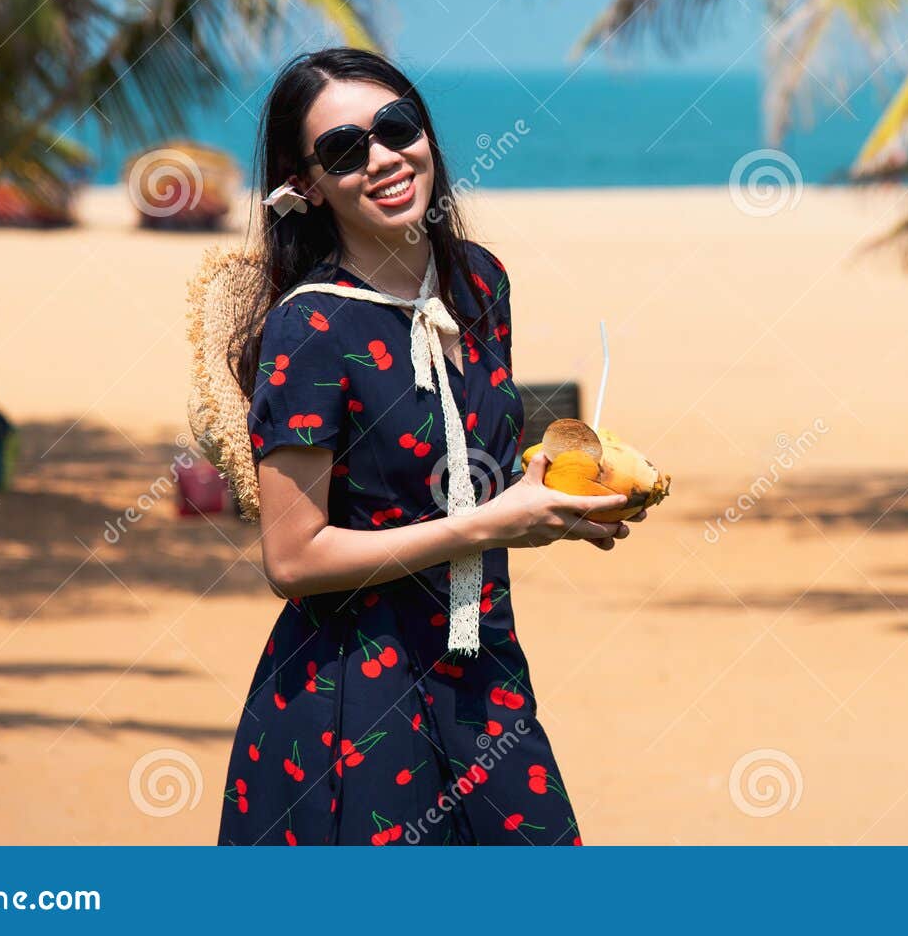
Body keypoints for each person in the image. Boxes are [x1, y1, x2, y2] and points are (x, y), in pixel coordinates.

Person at [215, 49, 635, 846]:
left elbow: (472, 486)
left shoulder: (481, 285)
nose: (382, 157)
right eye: (343, 150)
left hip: (485, 679)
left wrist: (553, 503)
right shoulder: (310, 329)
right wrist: (490, 526)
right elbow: (292, 560)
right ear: (304, 184)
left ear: (425, 134)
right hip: (352, 702)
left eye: (396, 127)